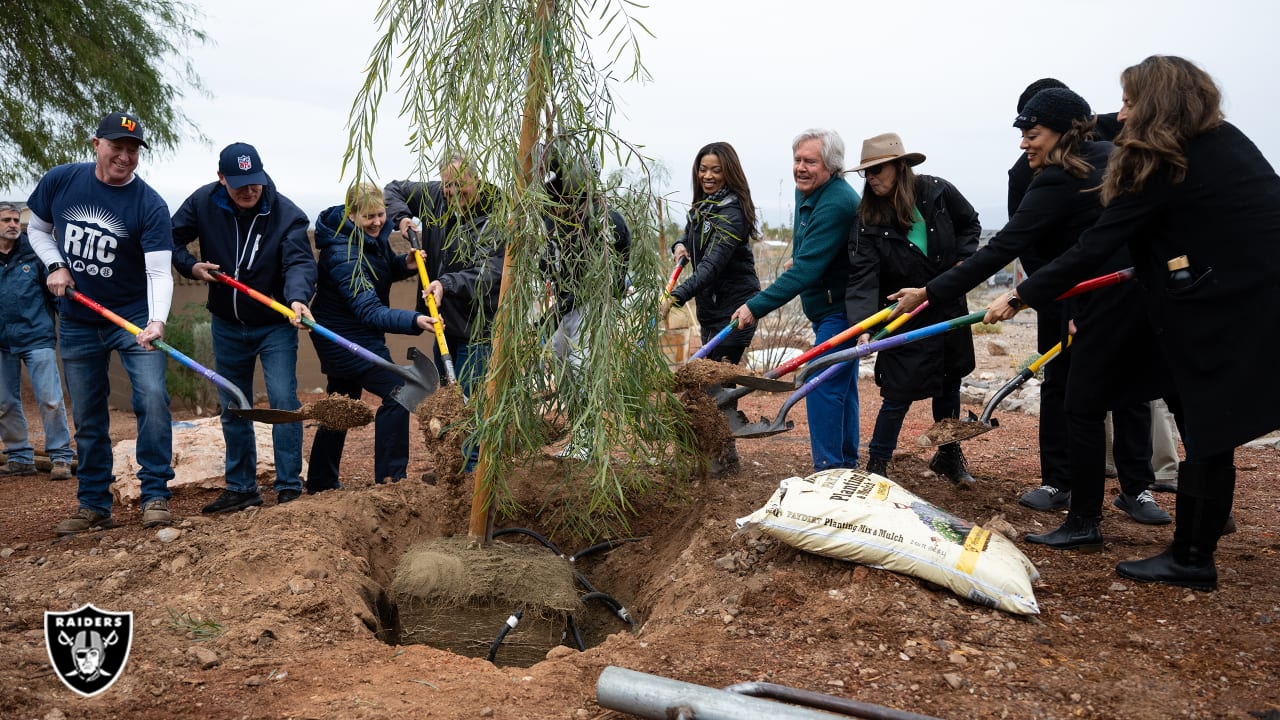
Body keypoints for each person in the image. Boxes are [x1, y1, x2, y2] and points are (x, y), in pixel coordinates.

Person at [985, 56, 1280, 590]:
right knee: (1206, 429)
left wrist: (1024, 294)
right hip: (1231, 300)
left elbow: (1094, 243)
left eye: (1128, 102)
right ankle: (1192, 547)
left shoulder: (1163, 161)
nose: (1119, 114)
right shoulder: (1218, 142)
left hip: (1222, 308)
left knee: (1204, 428)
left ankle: (1187, 556)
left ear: (1158, 104)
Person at [24, 111, 176, 534]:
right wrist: (56, 265)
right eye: (116, 147)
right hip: (76, 319)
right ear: (96, 144)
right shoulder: (61, 181)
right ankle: (93, 503)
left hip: (131, 319)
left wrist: (156, 321)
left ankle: (155, 494)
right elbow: (36, 231)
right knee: (89, 416)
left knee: (152, 400)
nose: (125, 157)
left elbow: (159, 273)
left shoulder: (149, 205)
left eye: (133, 150)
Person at [171, 142, 317, 512]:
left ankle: (288, 489)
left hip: (274, 327)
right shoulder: (203, 202)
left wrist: (297, 298)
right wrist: (191, 266)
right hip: (226, 324)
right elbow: (169, 238)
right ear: (221, 179)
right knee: (234, 404)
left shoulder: (288, 215)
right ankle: (241, 487)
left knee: (283, 402)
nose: (249, 190)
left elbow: (299, 263)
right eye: (239, 184)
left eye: (254, 182)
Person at [844, 133, 980, 483]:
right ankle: (876, 466)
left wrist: (963, 263)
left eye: (878, 169)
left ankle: (948, 456)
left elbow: (970, 222)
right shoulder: (867, 218)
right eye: (867, 172)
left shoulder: (937, 192)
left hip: (946, 304)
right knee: (898, 393)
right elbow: (863, 276)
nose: (871, 178)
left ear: (900, 166)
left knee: (950, 383)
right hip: (903, 312)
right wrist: (863, 327)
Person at [729, 129, 860, 471]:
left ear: (831, 166)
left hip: (841, 309)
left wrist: (754, 307)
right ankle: (844, 464)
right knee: (840, 387)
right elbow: (810, 252)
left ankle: (830, 471)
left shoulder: (836, 202)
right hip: (828, 307)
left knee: (822, 386)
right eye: (797, 160)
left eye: (810, 161)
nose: (801, 168)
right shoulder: (811, 192)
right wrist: (801, 259)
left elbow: (806, 270)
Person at [306, 182, 437, 492]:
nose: (378, 222)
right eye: (369, 217)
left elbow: (380, 269)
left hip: (356, 332)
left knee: (342, 402)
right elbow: (370, 310)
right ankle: (391, 481)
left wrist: (403, 264)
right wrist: (415, 318)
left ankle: (321, 482)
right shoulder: (343, 253)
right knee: (399, 392)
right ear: (352, 215)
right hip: (343, 338)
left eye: (381, 214)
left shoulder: (368, 236)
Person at [384, 155, 504, 470]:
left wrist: (446, 283)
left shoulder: (499, 212)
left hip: (478, 327)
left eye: (459, 186)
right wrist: (402, 218)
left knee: (471, 402)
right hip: (444, 323)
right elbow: (393, 189)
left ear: (477, 180)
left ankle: (472, 475)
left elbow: (494, 269)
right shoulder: (436, 195)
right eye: (447, 184)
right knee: (451, 400)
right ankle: (454, 472)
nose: (451, 192)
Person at [663, 142, 761, 474]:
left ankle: (721, 462)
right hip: (712, 311)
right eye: (703, 169)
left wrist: (675, 297)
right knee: (713, 385)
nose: (708, 175)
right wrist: (679, 245)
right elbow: (690, 238)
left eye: (716, 170)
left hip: (736, 310)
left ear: (728, 173)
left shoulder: (732, 213)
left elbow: (711, 268)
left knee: (713, 384)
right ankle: (721, 459)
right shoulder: (702, 208)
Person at [538, 139, 631, 462]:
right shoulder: (555, 215)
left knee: (581, 366)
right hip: (569, 305)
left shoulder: (603, 219)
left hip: (593, 305)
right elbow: (550, 262)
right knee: (560, 355)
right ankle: (580, 433)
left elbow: (607, 271)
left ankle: (590, 440)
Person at [0, 202, 74, 480]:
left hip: (36, 336)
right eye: (6, 219)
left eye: (15, 219)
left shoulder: (35, 253)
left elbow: (56, 293)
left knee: (50, 399)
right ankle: (19, 457)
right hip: (2, 340)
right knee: (4, 402)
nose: (12, 224)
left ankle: (61, 457)